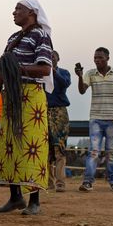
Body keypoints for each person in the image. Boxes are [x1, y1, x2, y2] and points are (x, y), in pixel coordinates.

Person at [0, 0, 54, 216]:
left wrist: (15, 69)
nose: (14, 12)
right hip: (10, 95)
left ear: (31, 12)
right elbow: (5, 65)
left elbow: (45, 68)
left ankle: (34, 201)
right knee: (9, 144)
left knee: (31, 145)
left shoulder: (41, 35)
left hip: (31, 95)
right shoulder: (12, 38)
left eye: (18, 9)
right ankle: (15, 197)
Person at [76, 47, 113, 193]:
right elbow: (82, 90)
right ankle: (87, 182)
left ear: (107, 58)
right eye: (95, 58)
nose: (97, 60)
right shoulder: (90, 74)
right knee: (93, 152)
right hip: (96, 119)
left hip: (112, 118)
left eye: (100, 58)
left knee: (112, 152)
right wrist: (80, 76)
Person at [47, 51, 71, 192]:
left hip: (60, 111)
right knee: (46, 148)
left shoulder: (64, 72)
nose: (51, 59)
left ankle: (60, 182)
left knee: (60, 147)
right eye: (48, 57)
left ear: (58, 59)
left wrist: (53, 72)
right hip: (44, 111)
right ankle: (49, 182)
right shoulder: (42, 74)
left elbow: (65, 84)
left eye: (53, 57)